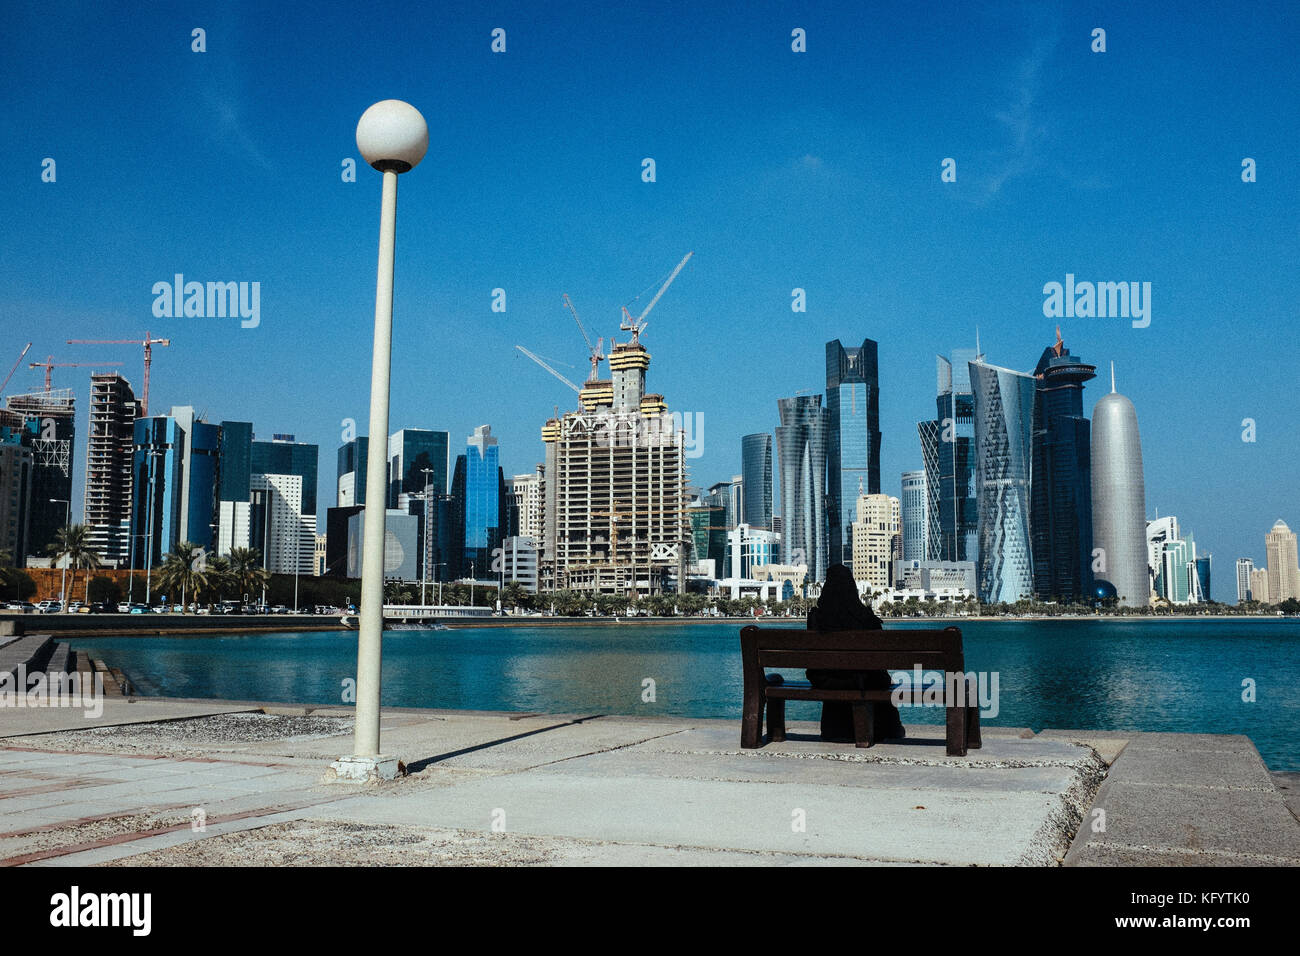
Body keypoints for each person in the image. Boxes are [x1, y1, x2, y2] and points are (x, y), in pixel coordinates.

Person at [806, 563, 906, 742]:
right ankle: (887, 727)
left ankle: (837, 730)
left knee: (852, 677)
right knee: (877, 678)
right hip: (863, 681)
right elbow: (880, 661)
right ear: (851, 586)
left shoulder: (816, 618)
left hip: (826, 681)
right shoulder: (866, 617)